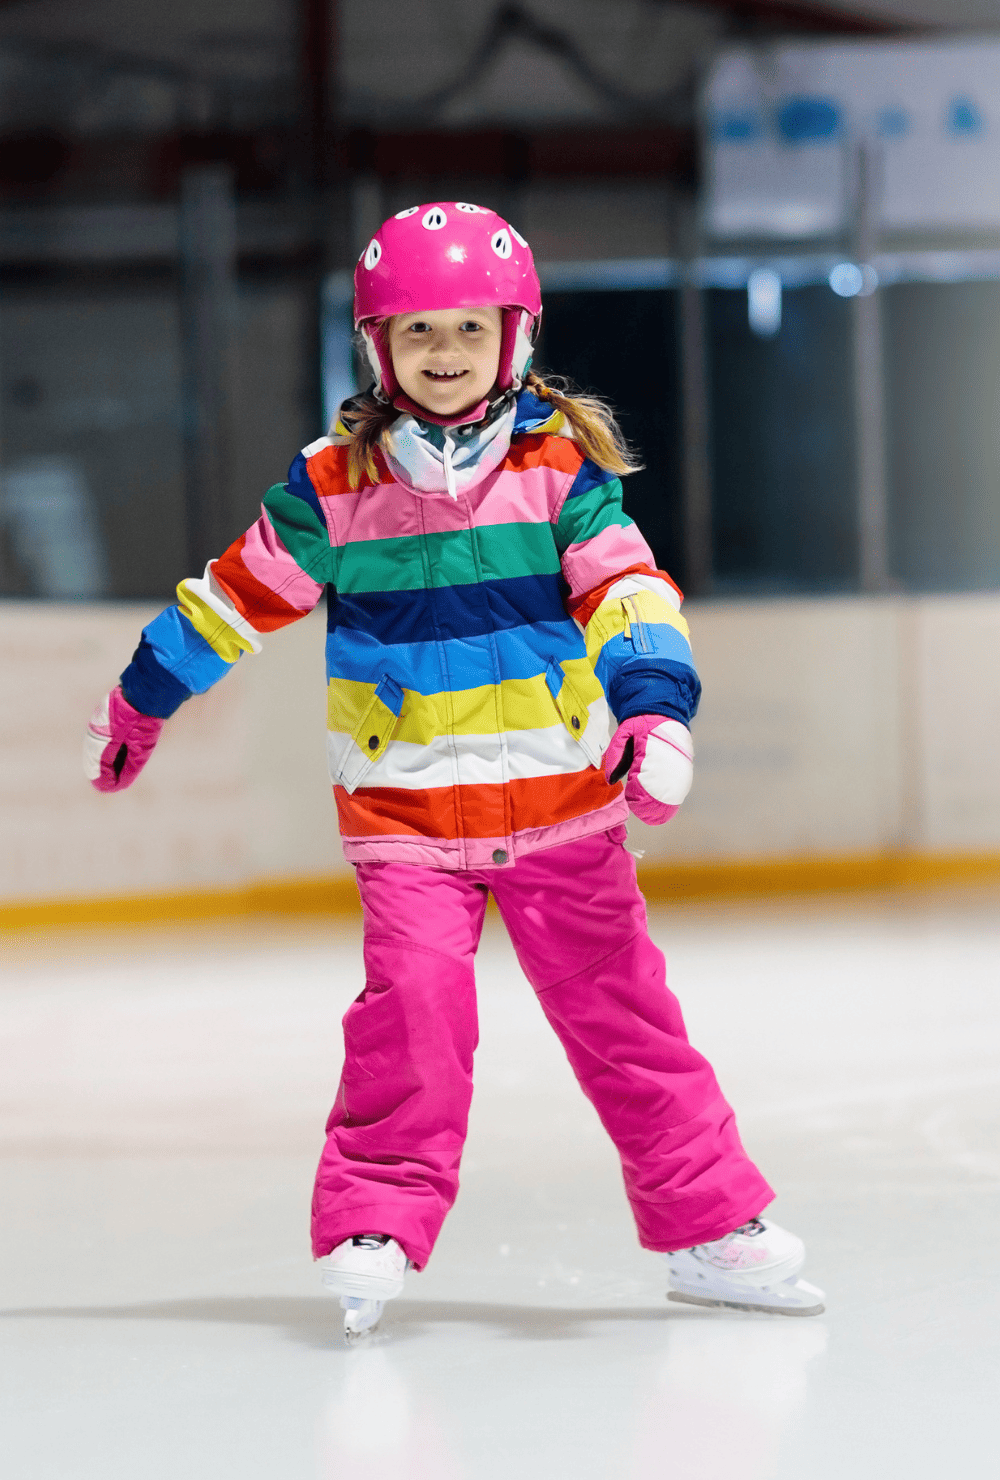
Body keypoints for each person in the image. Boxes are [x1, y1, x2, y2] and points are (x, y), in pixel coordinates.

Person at [84, 202, 824, 1340]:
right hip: (409, 811)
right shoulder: (334, 484)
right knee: (414, 1012)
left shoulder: (557, 470)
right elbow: (233, 599)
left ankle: (706, 1227)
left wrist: (655, 708)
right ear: (378, 347)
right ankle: (373, 1218)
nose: (443, 355)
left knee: (628, 1022)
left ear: (512, 339)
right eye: (418, 332)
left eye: (467, 332)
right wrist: (146, 695)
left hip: (563, 807)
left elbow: (628, 591)